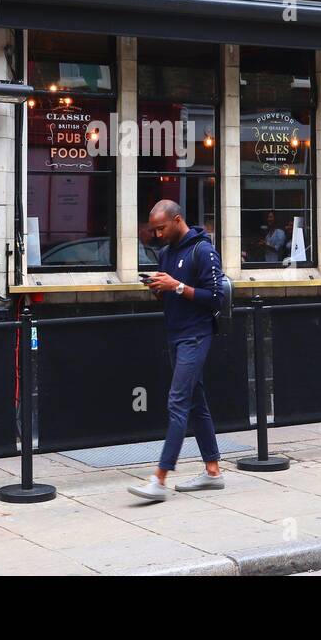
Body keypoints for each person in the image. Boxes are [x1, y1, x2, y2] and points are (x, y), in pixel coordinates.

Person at [128, 200, 226, 501]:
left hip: (196, 335)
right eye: (154, 230)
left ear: (177, 219)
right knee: (196, 402)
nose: (157, 235)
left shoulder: (203, 250)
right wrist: (159, 288)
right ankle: (213, 471)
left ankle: (159, 478)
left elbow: (216, 298)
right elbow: (169, 293)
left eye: (161, 228)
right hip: (175, 334)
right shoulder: (166, 253)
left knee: (178, 401)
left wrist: (178, 287)